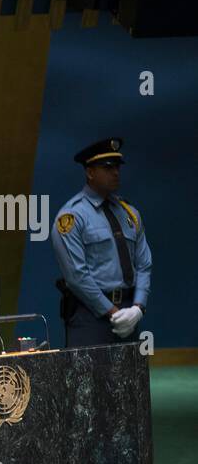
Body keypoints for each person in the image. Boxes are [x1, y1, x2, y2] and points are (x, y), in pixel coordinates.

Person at [51, 137, 152, 347]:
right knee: (91, 379)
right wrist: (114, 313)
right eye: (107, 168)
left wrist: (137, 308)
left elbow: (144, 264)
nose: (115, 172)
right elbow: (77, 276)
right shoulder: (72, 217)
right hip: (90, 317)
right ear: (90, 172)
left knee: (131, 379)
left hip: (129, 312)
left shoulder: (129, 213)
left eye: (117, 167)